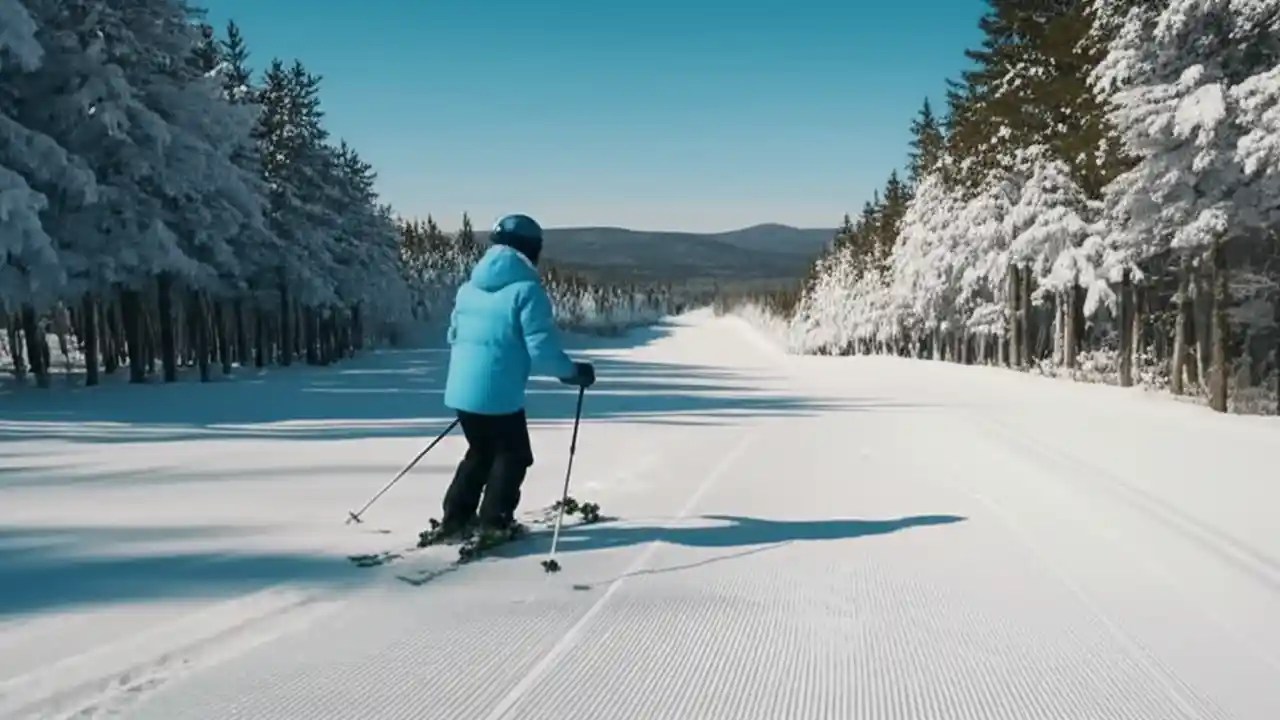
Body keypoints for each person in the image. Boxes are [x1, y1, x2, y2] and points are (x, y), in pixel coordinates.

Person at [432, 213, 595, 542]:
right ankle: (495, 522)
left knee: (480, 453)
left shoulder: (468, 288)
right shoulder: (527, 291)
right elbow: (542, 351)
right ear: (531, 250)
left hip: (462, 392)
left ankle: (455, 519)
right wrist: (573, 373)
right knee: (514, 454)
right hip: (499, 396)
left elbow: (453, 335)